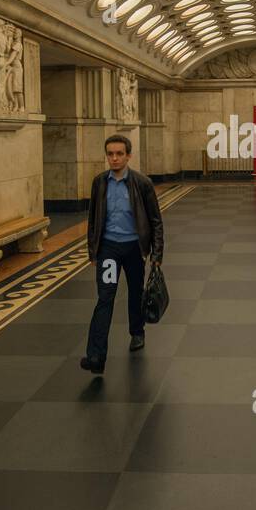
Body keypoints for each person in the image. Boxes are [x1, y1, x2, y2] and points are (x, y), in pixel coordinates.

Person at [82, 135, 164, 375]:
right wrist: (92, 250)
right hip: (109, 249)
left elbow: (155, 221)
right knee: (105, 297)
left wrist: (156, 254)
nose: (114, 158)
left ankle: (137, 332)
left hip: (134, 249)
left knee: (135, 292)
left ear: (129, 155)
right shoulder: (100, 183)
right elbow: (93, 218)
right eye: (110, 154)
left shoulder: (142, 183)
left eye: (119, 154)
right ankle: (96, 356)